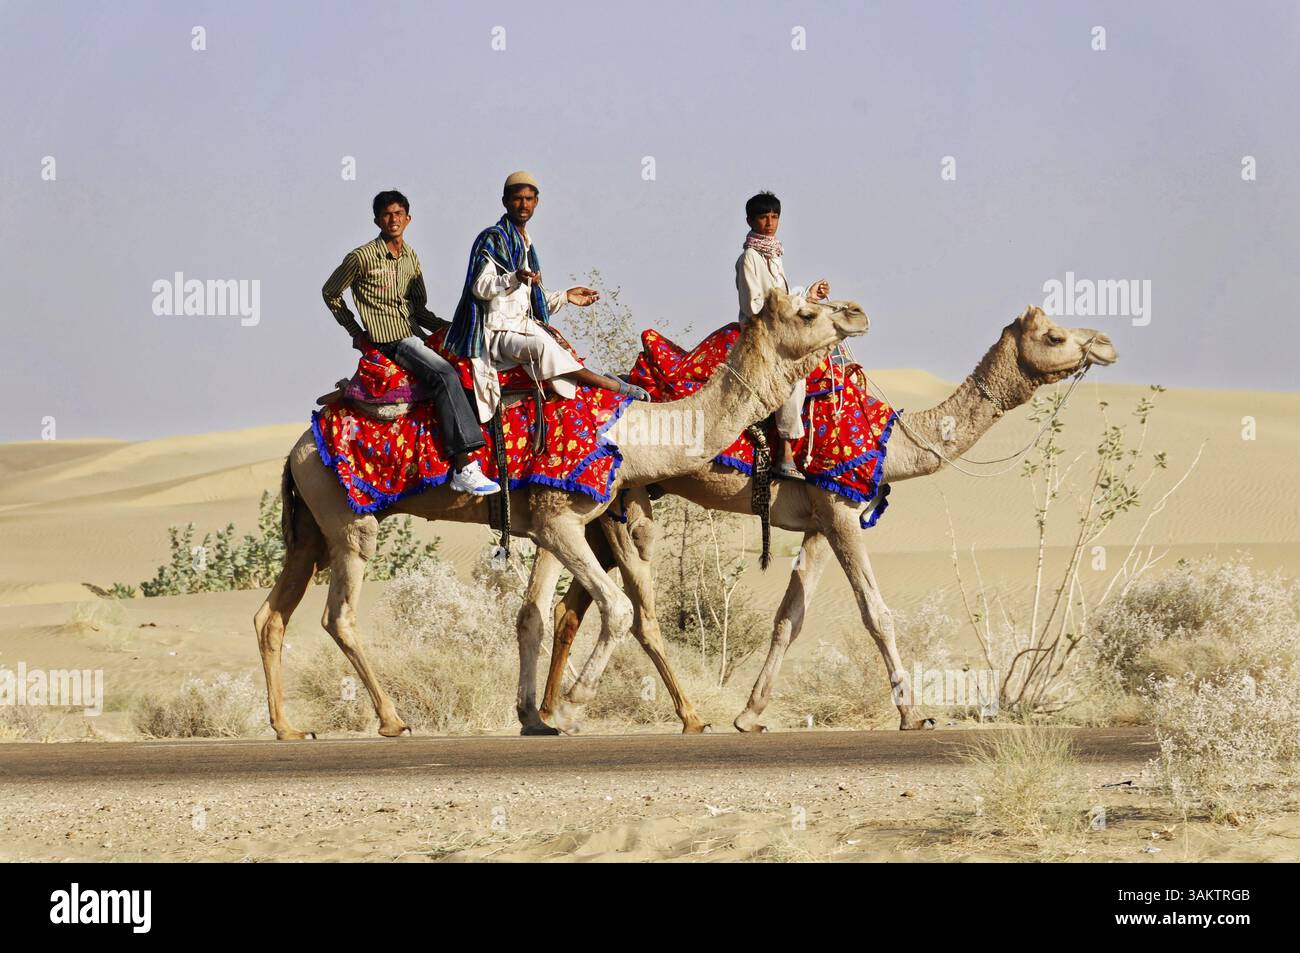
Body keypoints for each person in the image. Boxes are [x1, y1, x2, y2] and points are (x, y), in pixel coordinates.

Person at [322, 190, 500, 495]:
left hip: (413, 332)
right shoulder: (361, 257)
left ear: (408, 218)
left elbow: (419, 310)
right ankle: (463, 465)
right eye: (387, 214)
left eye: (398, 214)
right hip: (392, 340)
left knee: (474, 360)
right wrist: (355, 331)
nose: (393, 220)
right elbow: (330, 293)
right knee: (445, 375)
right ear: (378, 219)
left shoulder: (411, 258)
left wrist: (451, 328)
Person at [446, 171, 649, 422]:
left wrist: (566, 296)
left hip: (523, 326)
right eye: (518, 198)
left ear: (536, 203)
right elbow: (480, 287)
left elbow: (531, 302)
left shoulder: (526, 245)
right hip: (497, 334)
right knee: (543, 347)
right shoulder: (494, 239)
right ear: (505, 201)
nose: (523, 204)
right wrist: (513, 278)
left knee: (559, 345)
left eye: (529, 199)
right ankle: (610, 385)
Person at [735, 190, 831, 479]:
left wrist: (808, 297)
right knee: (793, 378)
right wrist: (795, 304)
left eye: (774, 216)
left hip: (780, 332)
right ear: (751, 220)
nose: (770, 222)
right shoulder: (749, 258)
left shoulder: (775, 255)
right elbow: (755, 305)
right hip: (761, 334)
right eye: (764, 217)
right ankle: (786, 452)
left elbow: (783, 298)